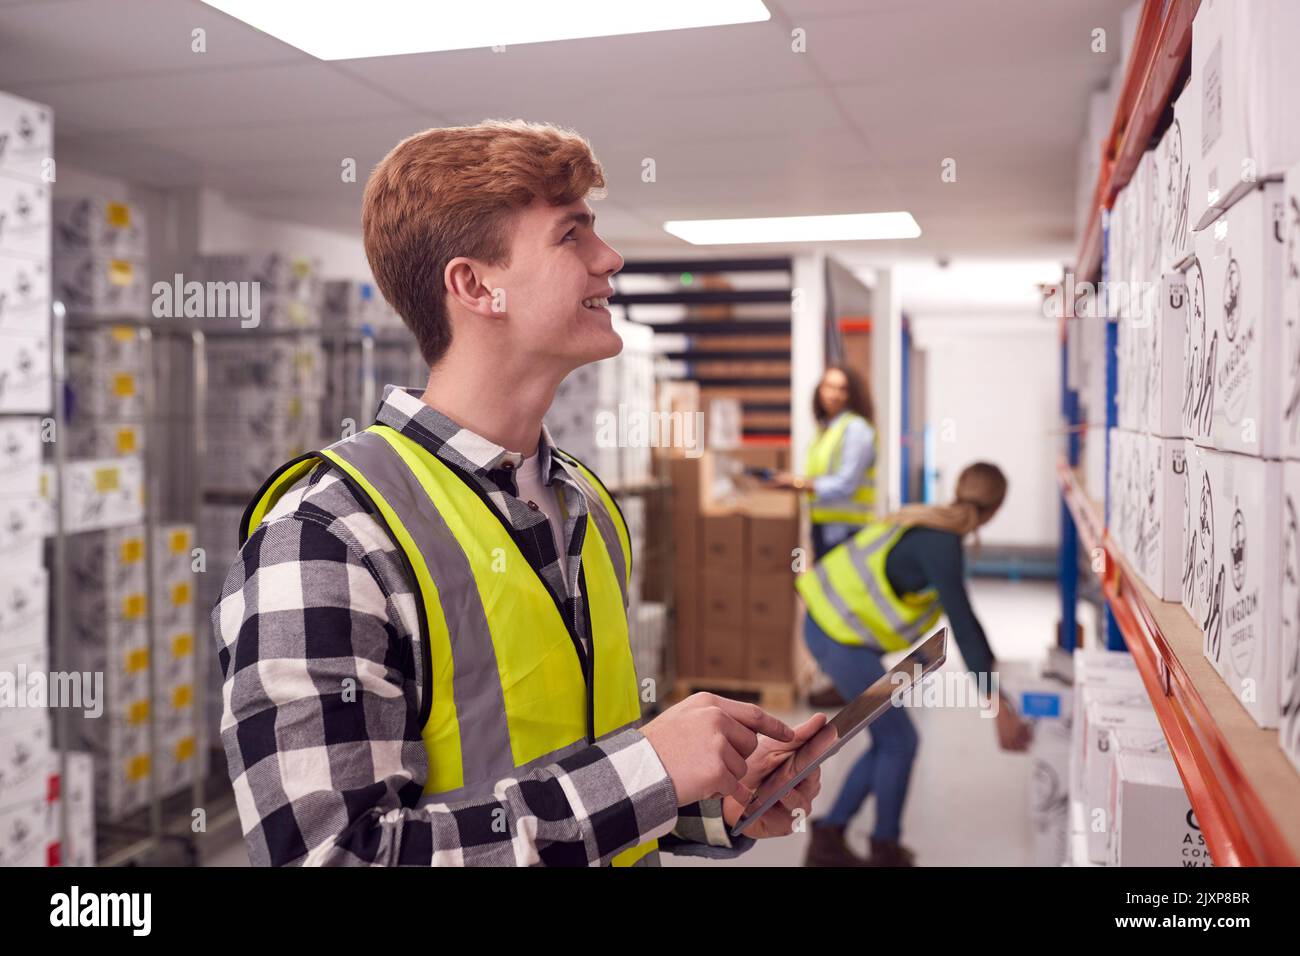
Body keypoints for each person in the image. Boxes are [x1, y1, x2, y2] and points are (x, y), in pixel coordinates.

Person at [212, 119, 833, 867]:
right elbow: (335, 854)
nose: (611, 258)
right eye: (572, 236)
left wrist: (703, 804)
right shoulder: (327, 533)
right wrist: (648, 769)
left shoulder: (587, 506)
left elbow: (570, 763)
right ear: (477, 286)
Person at [795, 462, 1033, 867]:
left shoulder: (933, 527)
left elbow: (965, 619)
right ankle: (879, 847)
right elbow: (964, 622)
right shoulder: (941, 542)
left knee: (892, 741)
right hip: (836, 636)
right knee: (900, 741)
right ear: (995, 510)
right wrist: (997, 703)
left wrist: (992, 674)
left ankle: (830, 837)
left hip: (842, 634)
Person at [770, 364, 877, 560]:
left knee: (840, 589)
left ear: (852, 393)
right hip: (823, 524)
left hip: (846, 530)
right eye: (828, 386)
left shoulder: (855, 429)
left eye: (841, 389)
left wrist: (798, 483)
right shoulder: (825, 431)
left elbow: (846, 484)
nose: (833, 394)